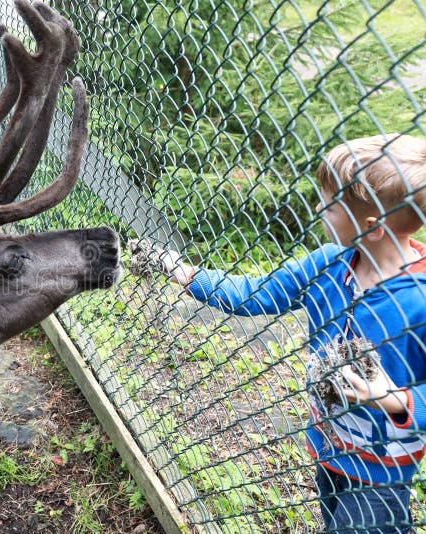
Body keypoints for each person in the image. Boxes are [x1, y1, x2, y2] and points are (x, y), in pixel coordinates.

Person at [139, 134, 426, 533]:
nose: (318, 208)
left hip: (381, 467)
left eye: (329, 204)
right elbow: (257, 294)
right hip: (329, 444)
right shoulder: (327, 264)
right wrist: (186, 273)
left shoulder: (419, 301)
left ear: (372, 228)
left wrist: (393, 399)